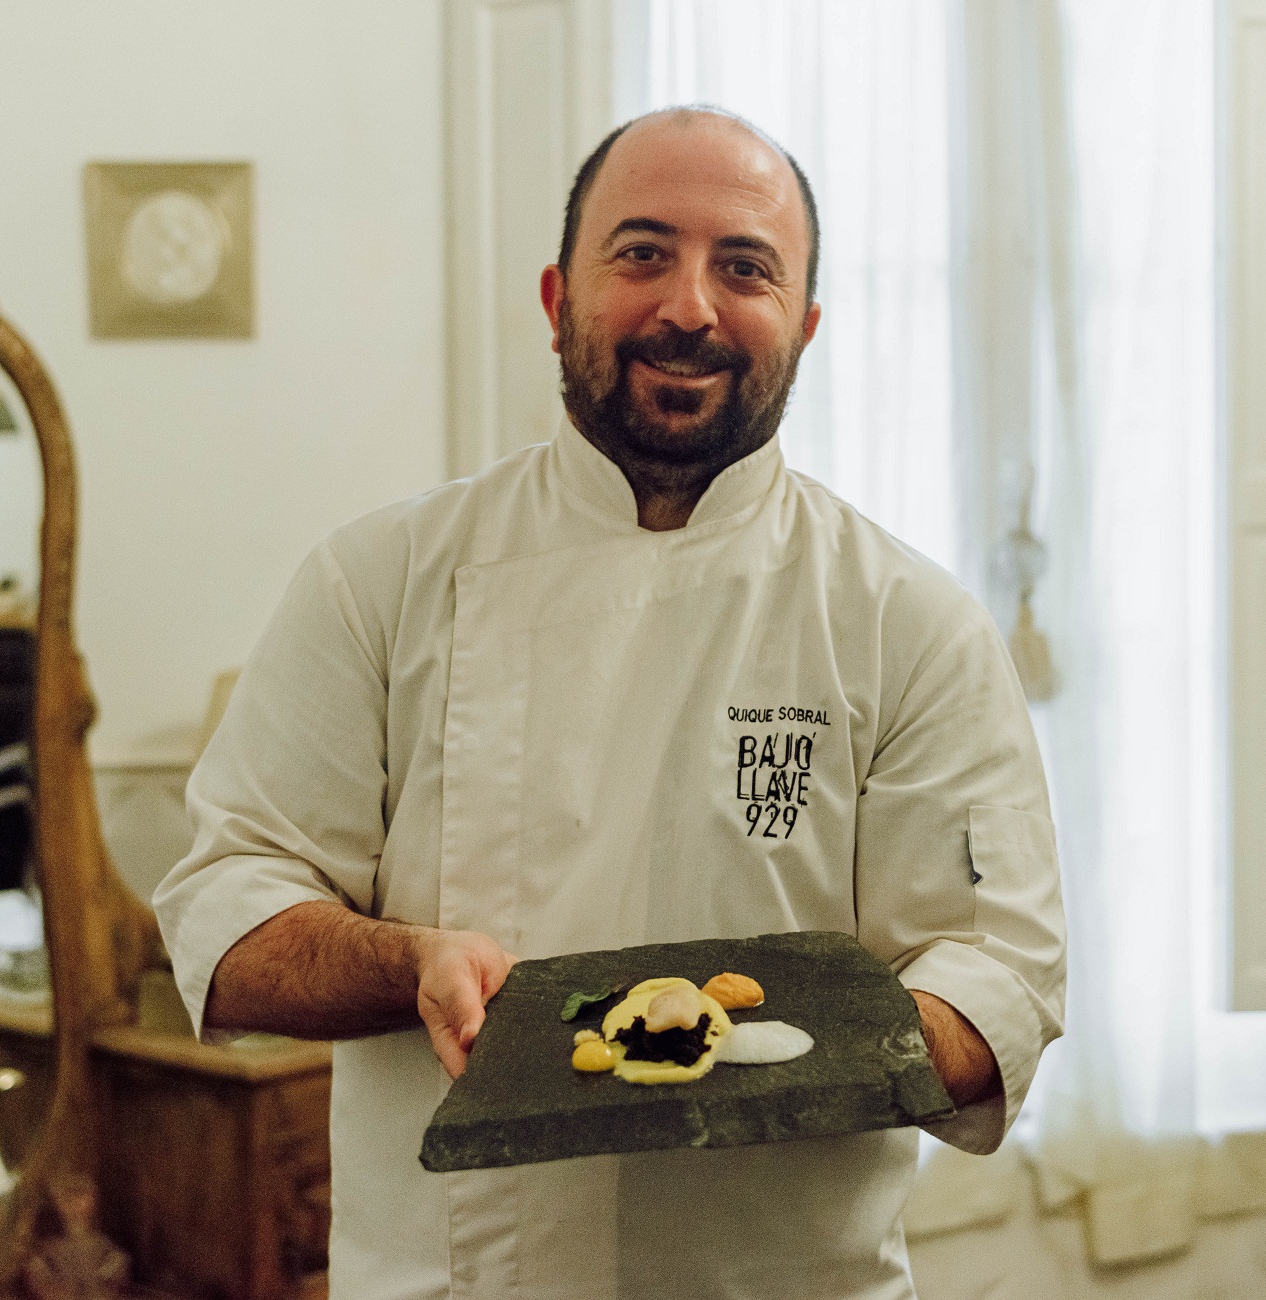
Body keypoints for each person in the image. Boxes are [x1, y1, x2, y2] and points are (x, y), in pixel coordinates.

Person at [155, 106, 1065, 1300]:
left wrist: (799, 1042)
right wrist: (411, 962)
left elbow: (1003, 971)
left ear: (806, 324)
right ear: (556, 299)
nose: (689, 306)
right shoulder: (376, 580)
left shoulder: (909, 622)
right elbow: (227, 918)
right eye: (642, 253)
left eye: (746, 268)